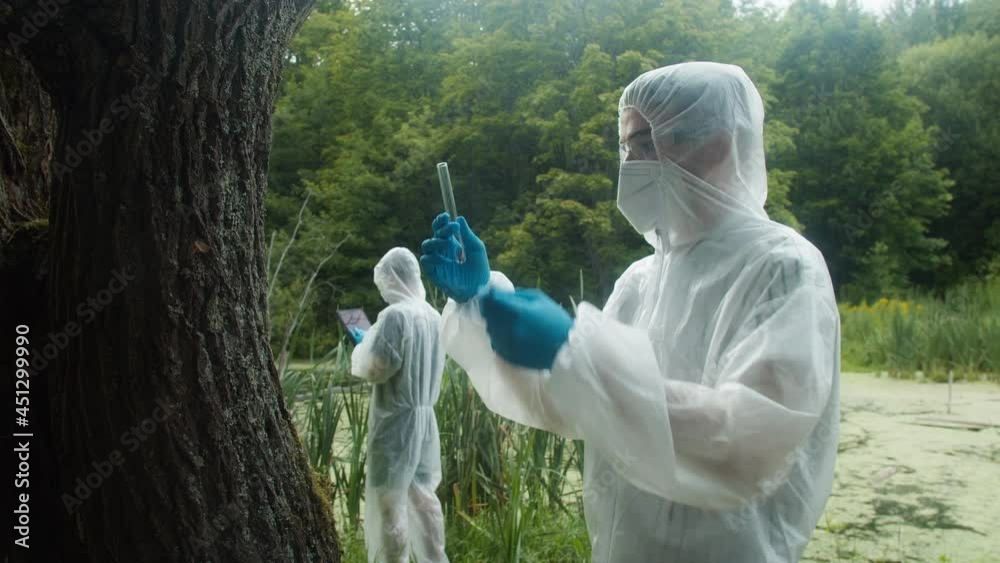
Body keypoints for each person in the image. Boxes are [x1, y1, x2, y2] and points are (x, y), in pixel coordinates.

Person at [420, 62, 839, 562]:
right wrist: (481, 303)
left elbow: (747, 443)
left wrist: (580, 356)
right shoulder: (642, 279)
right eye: (630, 148)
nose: (638, 164)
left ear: (725, 142)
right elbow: (571, 404)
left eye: (656, 141)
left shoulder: (783, 268)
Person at [350, 247, 448, 563]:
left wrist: (362, 346)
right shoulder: (433, 316)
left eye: (383, 283)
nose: (383, 291)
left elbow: (377, 368)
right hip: (425, 419)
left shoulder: (395, 315)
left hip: (395, 421)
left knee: (389, 501)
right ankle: (434, 558)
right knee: (423, 498)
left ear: (392, 278)